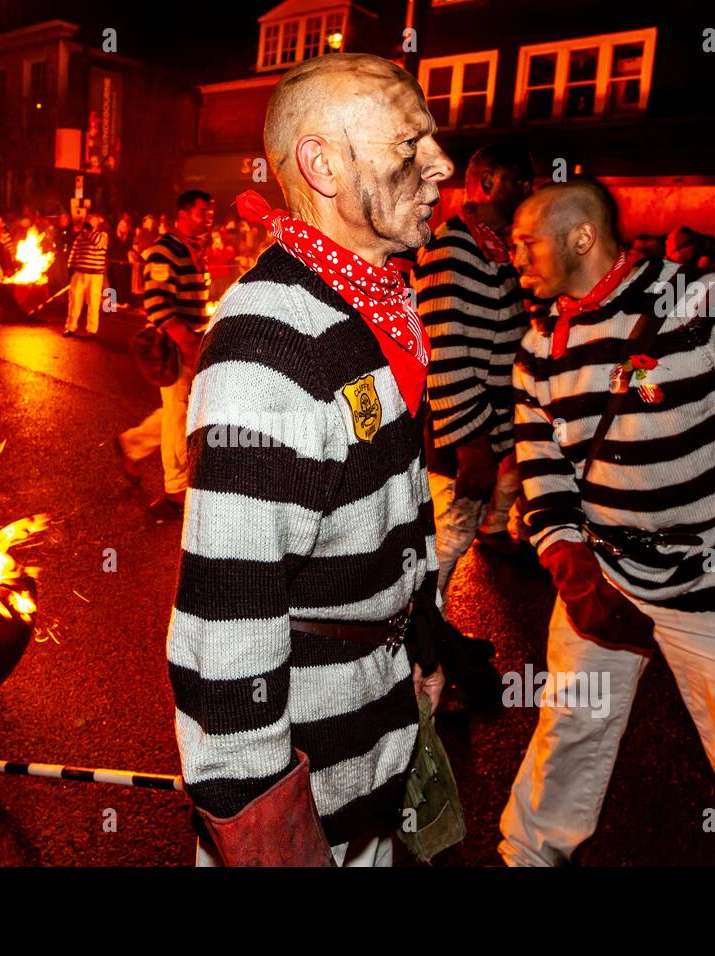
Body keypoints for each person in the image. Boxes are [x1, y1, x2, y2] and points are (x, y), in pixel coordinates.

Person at [498, 179, 715, 867]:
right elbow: (544, 469)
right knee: (568, 728)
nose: (513, 256)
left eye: (525, 242)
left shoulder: (712, 301)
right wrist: (568, 562)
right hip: (604, 573)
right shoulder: (538, 345)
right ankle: (526, 858)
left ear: (581, 237)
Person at [167, 52, 451, 868]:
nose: (441, 165)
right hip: (303, 773)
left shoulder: (373, 307)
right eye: (409, 144)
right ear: (321, 163)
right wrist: (260, 825)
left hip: (373, 730)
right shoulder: (267, 347)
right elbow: (225, 624)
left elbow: (401, 501)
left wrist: (420, 643)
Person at [413, 144, 534, 595]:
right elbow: (446, 349)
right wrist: (471, 446)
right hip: (460, 436)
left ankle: (432, 633)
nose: (528, 191)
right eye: (519, 181)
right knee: (445, 542)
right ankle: (420, 643)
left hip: (482, 430)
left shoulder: (492, 249)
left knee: (454, 539)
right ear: (485, 183)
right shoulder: (454, 247)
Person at [115, 190, 213, 515]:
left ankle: (132, 444)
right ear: (182, 215)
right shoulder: (162, 251)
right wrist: (186, 343)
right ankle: (176, 489)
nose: (208, 217)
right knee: (180, 412)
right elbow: (157, 304)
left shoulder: (196, 249)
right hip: (175, 346)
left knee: (179, 409)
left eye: (210, 211)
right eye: (202, 212)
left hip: (196, 342)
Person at [63, 213, 107, 337]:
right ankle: (71, 327)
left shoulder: (102, 236)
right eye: (87, 221)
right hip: (79, 273)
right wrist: (70, 267)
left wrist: (90, 231)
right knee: (74, 301)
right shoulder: (80, 237)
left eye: (91, 221)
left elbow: (97, 242)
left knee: (93, 302)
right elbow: (74, 252)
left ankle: (92, 330)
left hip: (95, 275)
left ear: (97, 224)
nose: (88, 222)